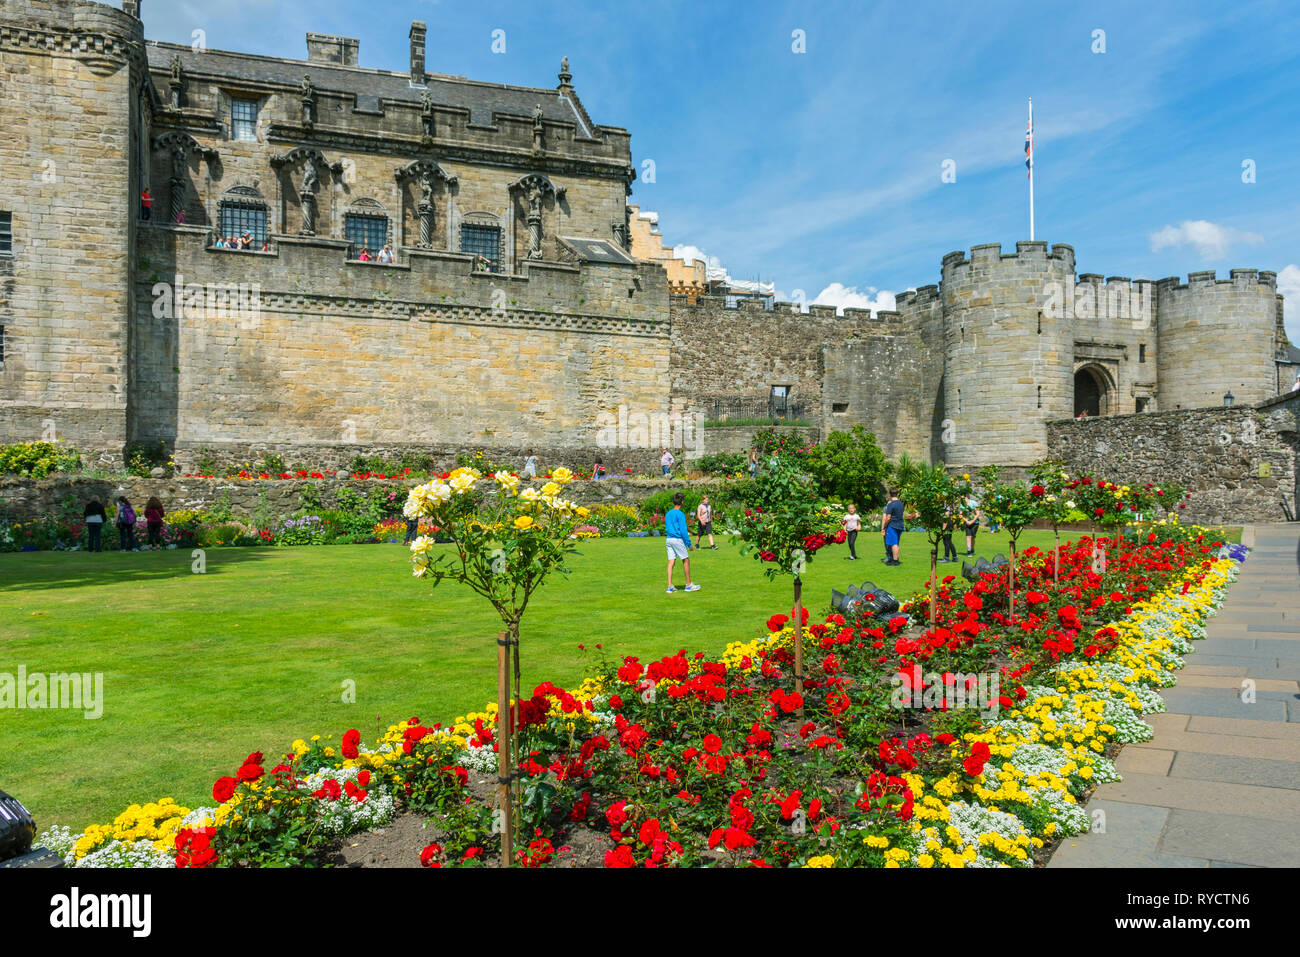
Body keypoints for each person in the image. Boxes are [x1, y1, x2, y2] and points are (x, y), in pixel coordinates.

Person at [664, 492, 699, 593]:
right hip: (677, 539)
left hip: (669, 539)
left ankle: (670, 586)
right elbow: (683, 531)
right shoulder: (680, 514)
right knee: (686, 560)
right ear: (682, 502)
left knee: (671, 562)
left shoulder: (668, 513)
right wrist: (689, 544)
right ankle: (688, 585)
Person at [880, 489, 904, 566]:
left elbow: (888, 518)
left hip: (892, 525)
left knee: (894, 543)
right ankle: (895, 559)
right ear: (897, 493)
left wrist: (884, 527)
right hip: (900, 525)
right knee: (896, 543)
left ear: (890, 494)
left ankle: (895, 561)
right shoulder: (901, 504)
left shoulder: (891, 504)